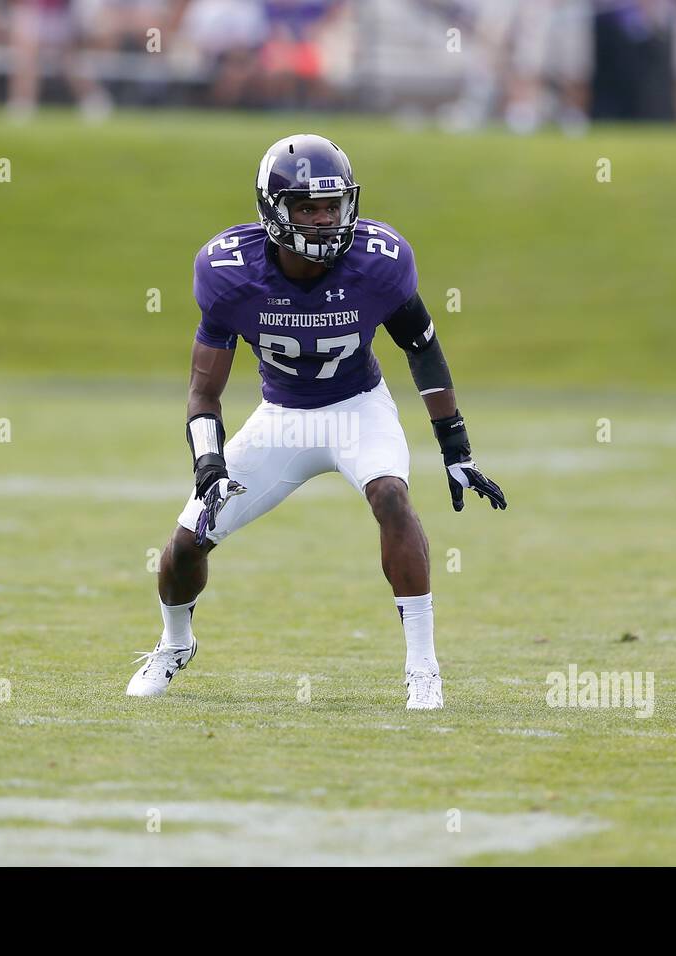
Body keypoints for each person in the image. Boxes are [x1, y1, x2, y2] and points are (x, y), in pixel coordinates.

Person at [126, 134, 507, 711]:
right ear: (273, 211)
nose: (325, 220)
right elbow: (204, 391)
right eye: (307, 207)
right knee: (184, 547)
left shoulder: (380, 264)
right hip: (281, 419)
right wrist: (208, 464)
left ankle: (423, 666)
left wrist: (456, 446)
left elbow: (422, 347)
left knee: (392, 499)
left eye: (333, 205)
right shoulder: (230, 273)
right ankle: (175, 645)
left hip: (359, 408)